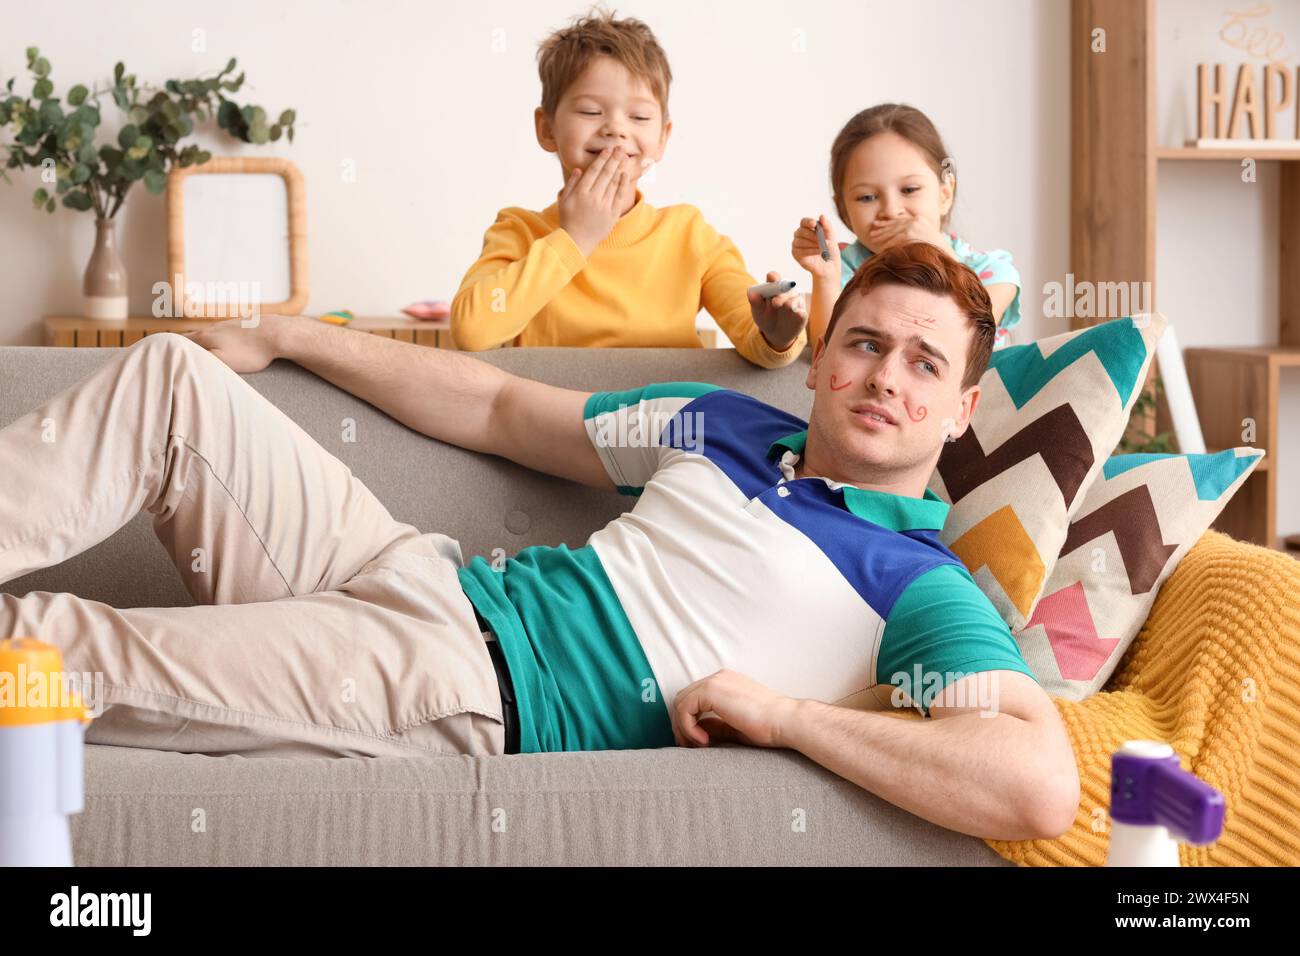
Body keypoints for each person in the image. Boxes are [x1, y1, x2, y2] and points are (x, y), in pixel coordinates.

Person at [0, 241, 1078, 842]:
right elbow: (502, 409)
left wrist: (786, 715)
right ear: (819, 362)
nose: (886, 375)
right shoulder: (734, 425)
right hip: (409, 570)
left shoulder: (916, 586)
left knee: (42, 650)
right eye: (865, 342)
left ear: (960, 408)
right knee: (173, 381)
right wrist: (292, 334)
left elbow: (1036, 781)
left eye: (923, 364)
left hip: (460, 684)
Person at [448, 8, 809, 368]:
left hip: (665, 419)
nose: (616, 129)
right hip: (555, 417)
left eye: (638, 117)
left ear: (663, 138)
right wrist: (574, 240)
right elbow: (472, 331)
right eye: (590, 111)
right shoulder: (519, 231)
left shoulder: (689, 235)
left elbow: (753, 331)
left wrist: (776, 335)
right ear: (546, 129)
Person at [793, 103, 1023, 350]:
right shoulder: (845, 271)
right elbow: (828, 350)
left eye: (909, 190)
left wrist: (938, 252)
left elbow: (966, 336)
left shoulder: (994, 273)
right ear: (845, 211)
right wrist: (825, 278)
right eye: (867, 197)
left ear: (945, 194)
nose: (891, 209)